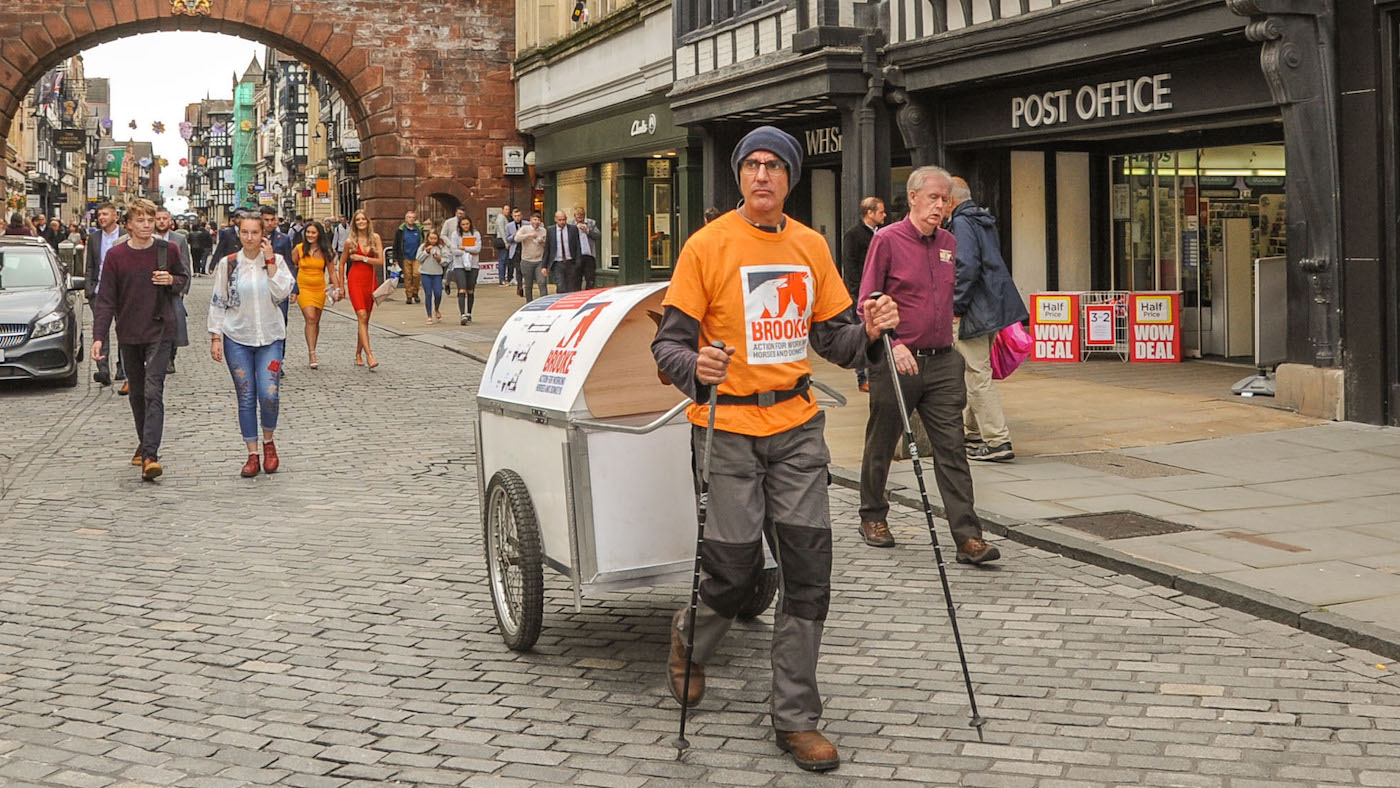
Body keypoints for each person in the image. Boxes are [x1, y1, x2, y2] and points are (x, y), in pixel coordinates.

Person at [650, 126, 899, 773]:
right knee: (733, 575)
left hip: (797, 428)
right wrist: (694, 364)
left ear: (790, 178)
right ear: (740, 176)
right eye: (753, 164)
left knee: (808, 572)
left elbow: (837, 341)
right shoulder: (707, 247)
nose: (763, 175)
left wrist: (867, 331)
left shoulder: (810, 246)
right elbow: (668, 345)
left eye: (775, 165)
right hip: (728, 428)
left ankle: (794, 717)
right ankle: (689, 637)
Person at [856, 165, 1000, 564]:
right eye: (934, 197)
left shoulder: (949, 242)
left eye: (946, 199)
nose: (941, 205)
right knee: (881, 442)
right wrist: (893, 343)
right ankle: (872, 515)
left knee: (952, 450)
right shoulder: (886, 240)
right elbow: (867, 301)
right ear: (914, 197)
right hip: (897, 359)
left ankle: (969, 538)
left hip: (941, 363)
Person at [90, 198, 188, 481]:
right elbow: (106, 300)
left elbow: (183, 278)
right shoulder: (117, 256)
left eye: (151, 219)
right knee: (136, 394)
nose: (147, 225)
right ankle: (144, 443)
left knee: (152, 391)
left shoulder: (166, 250)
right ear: (129, 225)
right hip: (130, 331)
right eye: (141, 220)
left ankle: (150, 456)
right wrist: (99, 337)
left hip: (160, 329)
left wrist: (170, 280)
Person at [208, 212, 295, 477]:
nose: (249, 238)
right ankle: (252, 453)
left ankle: (269, 442)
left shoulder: (277, 261)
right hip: (238, 337)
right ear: (238, 233)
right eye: (244, 232)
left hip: (270, 336)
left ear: (263, 235)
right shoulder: (229, 264)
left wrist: (270, 263)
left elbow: (282, 293)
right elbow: (218, 300)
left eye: (254, 233)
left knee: (269, 393)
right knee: (246, 396)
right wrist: (215, 336)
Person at [948, 178, 1027, 463]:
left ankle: (997, 440)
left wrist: (956, 305)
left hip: (974, 311)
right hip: (993, 309)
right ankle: (974, 434)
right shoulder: (982, 220)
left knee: (976, 374)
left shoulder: (961, 224)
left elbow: (966, 265)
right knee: (977, 371)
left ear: (951, 200)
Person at [841, 197, 886, 393]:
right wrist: (857, 293)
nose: (885, 215)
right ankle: (862, 378)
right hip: (860, 294)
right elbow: (850, 265)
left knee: (877, 334)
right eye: (881, 212)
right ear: (870, 213)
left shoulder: (881, 234)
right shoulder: (854, 235)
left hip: (878, 293)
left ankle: (877, 374)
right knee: (861, 333)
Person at [84, 202, 125, 387]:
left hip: (123, 292)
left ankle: (123, 368)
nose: (101, 218)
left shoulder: (125, 235)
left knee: (124, 330)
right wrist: (89, 290)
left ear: (115, 216)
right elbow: (90, 265)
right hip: (100, 292)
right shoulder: (94, 238)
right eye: (99, 214)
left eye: (105, 214)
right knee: (101, 332)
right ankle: (103, 370)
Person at [338, 209, 383, 369]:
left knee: (365, 320)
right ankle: (370, 355)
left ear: (367, 221)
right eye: (358, 220)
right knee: (361, 315)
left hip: (370, 280)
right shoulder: (350, 241)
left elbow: (380, 261)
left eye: (363, 219)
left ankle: (358, 352)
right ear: (354, 223)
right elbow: (342, 263)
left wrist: (363, 258)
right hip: (355, 279)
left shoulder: (375, 238)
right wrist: (341, 285)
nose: (361, 222)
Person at [292, 221, 340, 368]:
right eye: (308, 232)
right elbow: (292, 268)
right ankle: (312, 353)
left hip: (319, 289)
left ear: (319, 234)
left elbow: (332, 271)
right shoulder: (299, 249)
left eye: (313, 232)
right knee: (310, 317)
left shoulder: (326, 251)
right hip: (303, 288)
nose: (310, 235)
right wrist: (293, 289)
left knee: (315, 321)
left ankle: (313, 346)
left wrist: (338, 289)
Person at [154, 209, 192, 375]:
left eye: (165, 218)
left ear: (171, 221)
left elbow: (185, 264)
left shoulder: (179, 239)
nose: (161, 222)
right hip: (153, 287)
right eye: (158, 219)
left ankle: (170, 356)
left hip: (173, 287)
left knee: (174, 322)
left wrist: (183, 289)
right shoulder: (149, 238)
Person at [448, 216, 481, 324]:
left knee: (470, 290)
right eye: (463, 224)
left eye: (467, 224)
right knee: (462, 289)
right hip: (459, 265)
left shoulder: (476, 234)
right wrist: (466, 251)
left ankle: (469, 313)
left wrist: (464, 248)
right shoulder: (455, 235)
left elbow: (477, 249)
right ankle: (462, 314)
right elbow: (454, 250)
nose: (466, 226)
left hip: (473, 265)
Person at [417, 229, 449, 325]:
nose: (433, 240)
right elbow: (418, 258)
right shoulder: (423, 247)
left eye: (435, 238)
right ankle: (429, 315)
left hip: (437, 273)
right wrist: (426, 252)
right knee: (428, 294)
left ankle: (436, 309)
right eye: (431, 238)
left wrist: (440, 259)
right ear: (427, 238)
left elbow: (446, 260)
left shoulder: (441, 247)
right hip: (426, 273)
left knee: (438, 293)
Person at [544, 210, 581, 293]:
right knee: (560, 285)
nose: (562, 222)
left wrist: (578, 262)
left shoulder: (573, 229)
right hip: (557, 262)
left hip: (570, 262)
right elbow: (547, 248)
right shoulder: (550, 230)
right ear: (555, 220)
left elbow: (578, 246)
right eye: (560, 220)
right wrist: (544, 265)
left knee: (571, 286)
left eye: (564, 219)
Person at [393, 210, 426, 305]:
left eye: (413, 217)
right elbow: (396, 244)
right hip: (405, 256)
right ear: (405, 219)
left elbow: (423, 241)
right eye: (409, 217)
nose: (411, 219)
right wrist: (395, 258)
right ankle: (409, 295)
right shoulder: (401, 230)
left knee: (416, 274)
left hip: (416, 256)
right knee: (407, 276)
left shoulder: (419, 229)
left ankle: (415, 292)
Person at [513, 212, 547, 302]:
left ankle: (544, 301)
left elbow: (547, 244)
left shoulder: (543, 230)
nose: (537, 222)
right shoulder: (525, 228)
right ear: (531, 220)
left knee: (542, 282)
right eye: (535, 220)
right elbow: (516, 238)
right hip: (527, 260)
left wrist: (542, 241)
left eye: (539, 220)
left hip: (539, 260)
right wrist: (528, 235)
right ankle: (529, 302)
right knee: (528, 285)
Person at [439, 206, 467, 296]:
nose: (460, 215)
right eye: (459, 213)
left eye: (462, 214)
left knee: (461, 270)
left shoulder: (466, 223)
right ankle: (447, 283)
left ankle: (461, 289)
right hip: (450, 250)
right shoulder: (449, 222)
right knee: (450, 270)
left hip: (462, 250)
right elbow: (443, 235)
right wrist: (450, 244)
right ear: (456, 213)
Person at [571, 206, 601, 290]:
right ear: (574, 216)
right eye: (578, 217)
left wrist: (587, 231)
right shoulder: (571, 225)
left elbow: (598, 235)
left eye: (582, 217)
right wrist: (575, 230)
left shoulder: (591, 223)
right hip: (577, 255)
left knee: (590, 278)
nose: (580, 219)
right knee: (576, 279)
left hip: (589, 254)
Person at [494, 203, 511, 284]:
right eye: (506, 209)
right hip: (502, 240)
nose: (507, 211)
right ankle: (502, 279)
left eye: (508, 209)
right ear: (502, 210)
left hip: (503, 239)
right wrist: (506, 242)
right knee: (503, 260)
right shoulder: (501, 218)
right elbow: (502, 231)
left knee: (504, 260)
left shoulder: (503, 218)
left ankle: (503, 278)